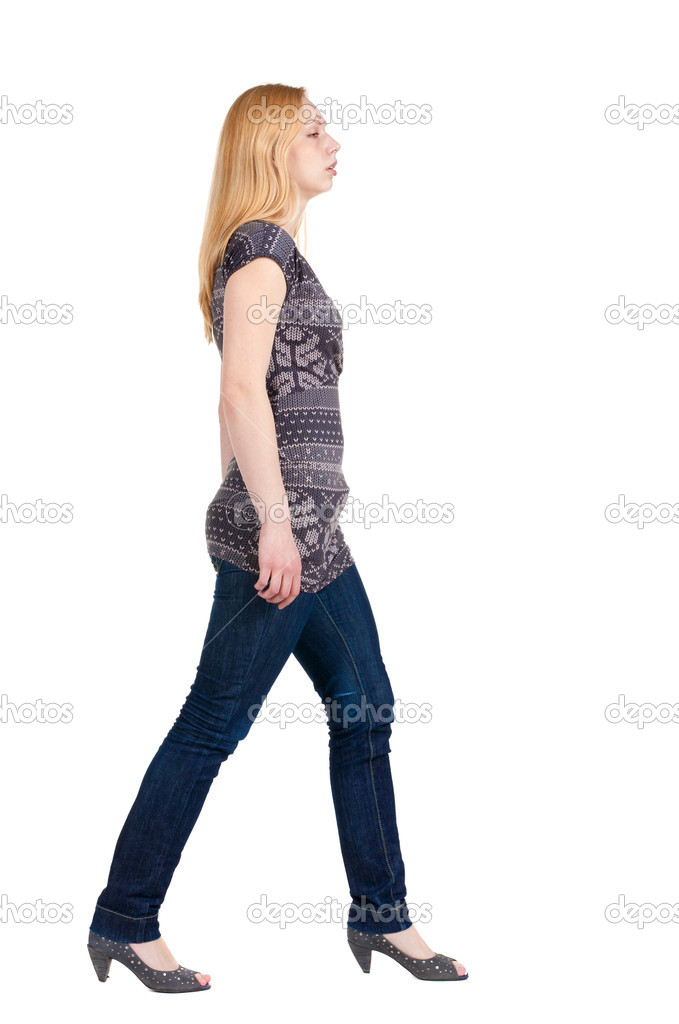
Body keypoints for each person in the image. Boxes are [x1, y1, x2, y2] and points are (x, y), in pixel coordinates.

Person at [86, 82, 467, 992]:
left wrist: (267, 513)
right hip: (284, 535)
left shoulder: (282, 257)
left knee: (364, 705)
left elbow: (237, 401)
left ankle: (383, 917)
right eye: (311, 129)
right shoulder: (261, 260)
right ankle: (125, 920)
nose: (333, 141)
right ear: (269, 149)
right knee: (212, 726)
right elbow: (238, 394)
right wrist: (265, 524)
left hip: (311, 534)